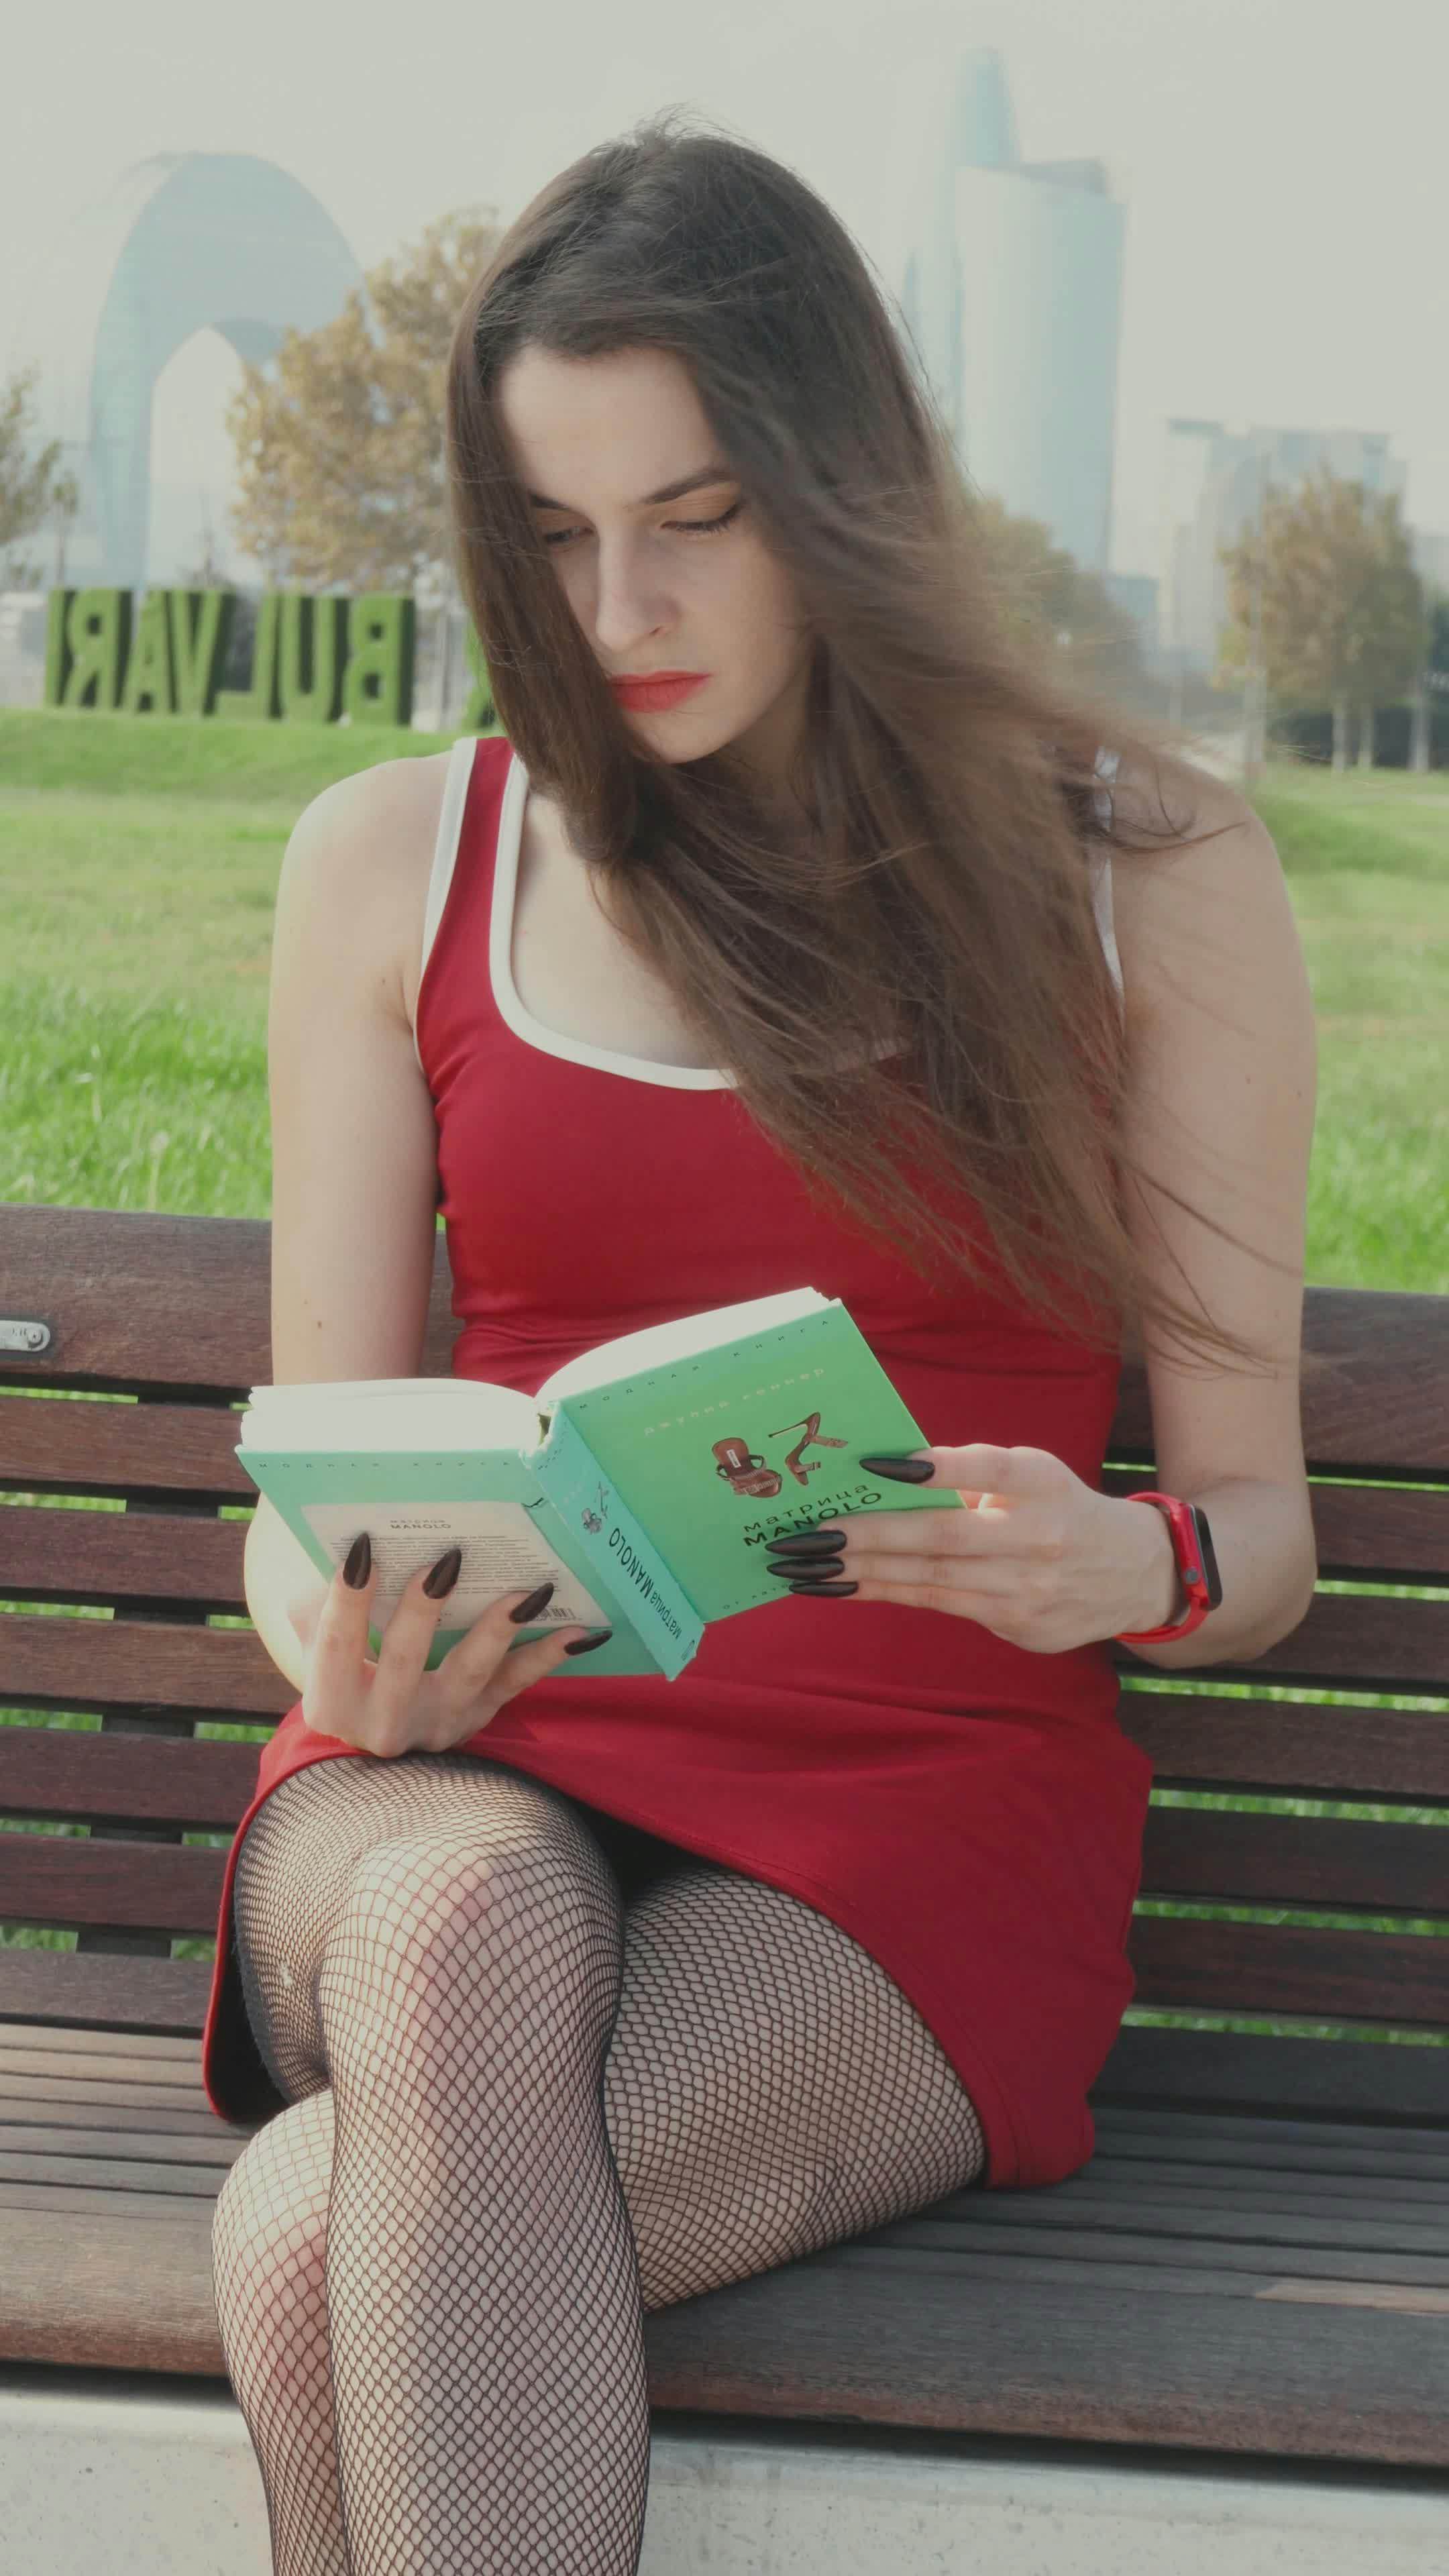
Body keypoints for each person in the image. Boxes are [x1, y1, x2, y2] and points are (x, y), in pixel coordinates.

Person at [203, 114, 1318, 2576]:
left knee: (315, 2236)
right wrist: (341, 1632)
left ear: (841, 478)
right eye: (554, 531)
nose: (621, 607)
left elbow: (1261, 1540)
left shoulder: (1151, 880)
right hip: (448, 1787)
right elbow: (312, 1480)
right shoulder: (399, 860)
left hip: (916, 1831)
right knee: (464, 1937)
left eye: (693, 517)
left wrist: (1115, 1564)